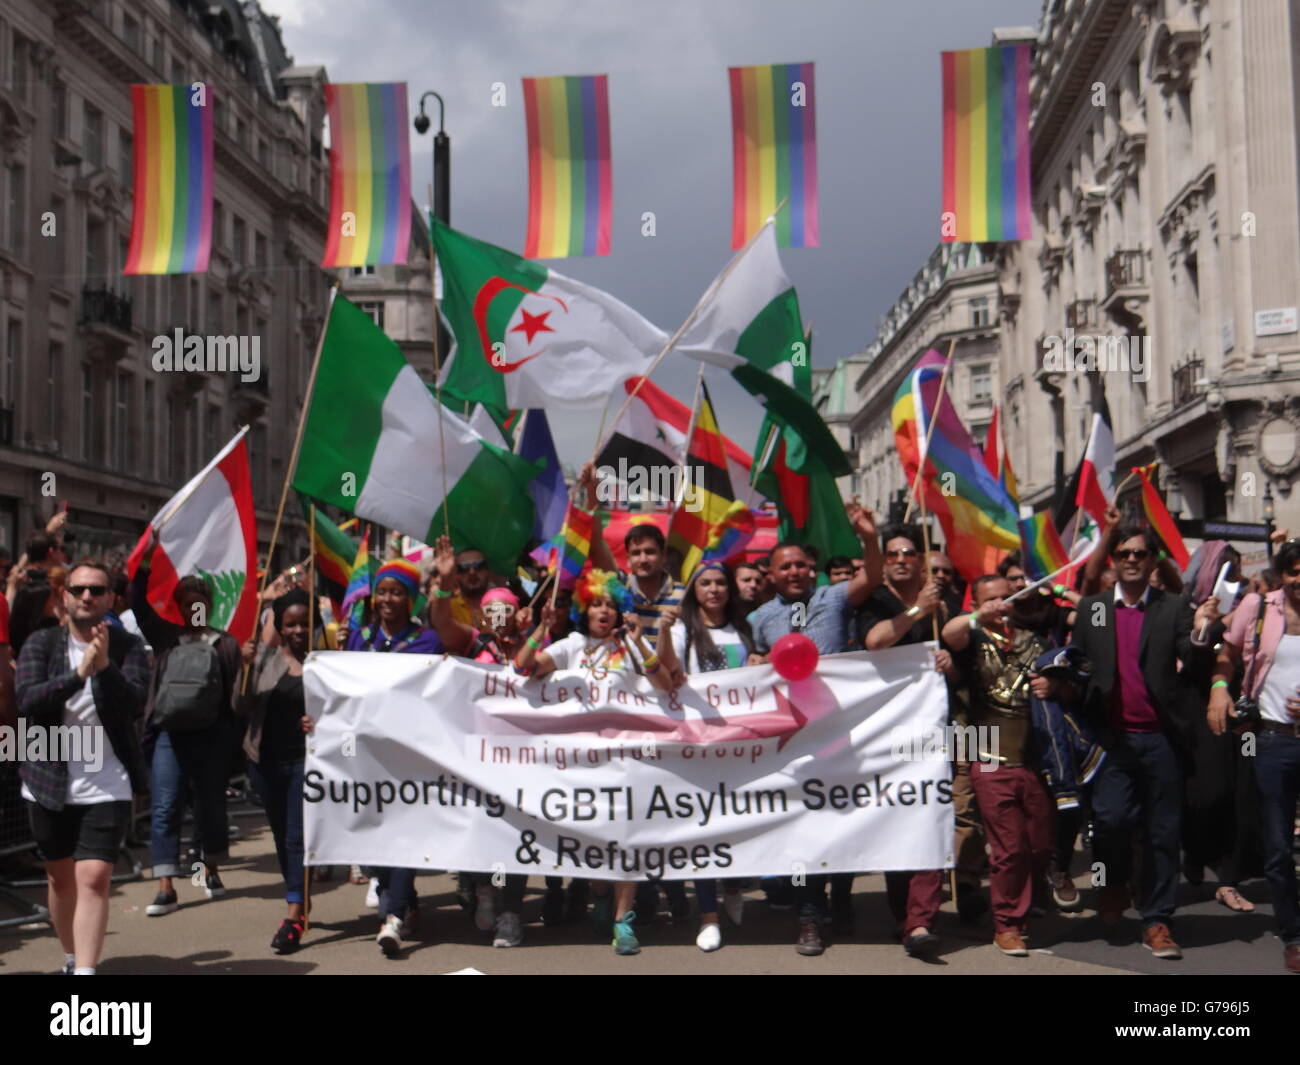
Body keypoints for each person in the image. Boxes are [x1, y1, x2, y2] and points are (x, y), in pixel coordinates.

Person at [1071, 525, 1217, 960]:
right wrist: (1060, 682)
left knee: (1162, 833)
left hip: (1161, 740)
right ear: (1113, 559)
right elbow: (1078, 663)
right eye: (1123, 553)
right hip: (1112, 740)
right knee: (1111, 820)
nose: (1131, 559)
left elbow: (1193, 660)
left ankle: (1157, 920)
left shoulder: (1173, 608)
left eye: (1140, 553)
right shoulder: (1094, 609)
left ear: (1153, 560)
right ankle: (1114, 883)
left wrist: (1200, 631)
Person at [745, 502, 883, 956]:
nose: (797, 572)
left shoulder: (834, 596)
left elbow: (873, 578)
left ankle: (839, 901)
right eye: (786, 566)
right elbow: (755, 670)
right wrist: (756, 664)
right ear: (771, 573)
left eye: (804, 564)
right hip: (792, 736)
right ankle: (809, 915)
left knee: (841, 820)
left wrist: (868, 538)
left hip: (840, 727)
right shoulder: (759, 619)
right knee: (805, 824)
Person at [515, 569, 676, 956]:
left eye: (610, 605)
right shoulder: (571, 645)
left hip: (623, 759)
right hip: (577, 762)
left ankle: (623, 921)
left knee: (627, 841)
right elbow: (524, 668)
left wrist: (640, 642)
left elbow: (666, 685)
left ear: (619, 611)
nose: (603, 611)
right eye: (596, 604)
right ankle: (598, 893)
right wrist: (540, 629)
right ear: (585, 610)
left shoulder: (631, 646)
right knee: (588, 838)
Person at [16, 560, 150, 974]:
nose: (87, 596)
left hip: (106, 779)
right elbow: (30, 701)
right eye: (78, 590)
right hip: (47, 778)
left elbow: (134, 704)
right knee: (60, 879)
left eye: (96, 590)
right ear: (65, 596)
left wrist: (105, 667)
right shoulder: (41, 644)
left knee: (93, 877)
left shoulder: (128, 647)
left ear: (111, 598)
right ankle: (72, 956)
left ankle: (86, 975)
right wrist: (78, 674)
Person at [942, 575, 1063, 956]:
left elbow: (1062, 678)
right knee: (1008, 848)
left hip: (1033, 758)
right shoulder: (972, 639)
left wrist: (1053, 687)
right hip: (989, 757)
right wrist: (977, 616)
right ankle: (1007, 924)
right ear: (976, 602)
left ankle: (1028, 902)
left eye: (1003, 597)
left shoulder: (1032, 641)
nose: (999, 604)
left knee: (1040, 845)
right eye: (989, 599)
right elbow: (950, 632)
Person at [856, 523, 958, 954]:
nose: (899, 560)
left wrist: (948, 657)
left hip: (930, 735)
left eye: (907, 554)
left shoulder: (941, 605)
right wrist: (916, 611)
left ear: (919, 559)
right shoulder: (874, 600)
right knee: (899, 824)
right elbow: (876, 641)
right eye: (892, 554)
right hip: (883, 735)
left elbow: (960, 644)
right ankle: (905, 913)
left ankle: (920, 922)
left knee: (930, 817)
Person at [427, 534, 533, 948]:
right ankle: (481, 887)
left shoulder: (529, 646)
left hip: (523, 759)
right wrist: (444, 582)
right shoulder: (474, 642)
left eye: (506, 607)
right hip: (477, 755)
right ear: (482, 617)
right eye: (491, 610)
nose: (499, 614)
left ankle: (510, 912)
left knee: (513, 835)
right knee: (479, 828)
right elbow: (440, 621)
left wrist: (534, 634)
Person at [343, 559, 444, 957]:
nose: (388, 599)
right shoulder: (356, 638)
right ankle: (401, 897)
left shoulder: (427, 641)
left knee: (403, 833)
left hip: (408, 752)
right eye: (382, 591)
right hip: (366, 754)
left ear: (410, 598)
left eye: (397, 592)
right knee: (374, 833)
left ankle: (395, 917)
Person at [1208, 539, 1300, 972]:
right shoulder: (1258, 607)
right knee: (1279, 847)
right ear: (1283, 574)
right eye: (1294, 570)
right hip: (1274, 741)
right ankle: (1293, 936)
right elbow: (1226, 655)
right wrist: (1218, 690)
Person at [130, 565, 243, 917]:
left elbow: (236, 700)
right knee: (165, 808)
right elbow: (138, 605)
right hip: (170, 737)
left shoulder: (225, 644)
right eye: (187, 605)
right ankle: (166, 886)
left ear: (209, 606)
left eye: (200, 604)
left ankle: (208, 870)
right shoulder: (167, 638)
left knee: (209, 809)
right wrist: (145, 564)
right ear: (179, 608)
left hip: (212, 738)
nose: (194, 611)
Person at [656, 561, 755, 951]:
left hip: (743, 743)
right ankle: (708, 916)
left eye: (720, 583)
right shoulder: (682, 629)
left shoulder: (743, 628)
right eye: (705, 584)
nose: (713, 589)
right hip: (700, 743)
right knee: (703, 830)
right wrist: (662, 630)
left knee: (737, 824)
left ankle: (732, 885)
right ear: (694, 591)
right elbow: (667, 666)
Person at [1179, 541, 1261, 911]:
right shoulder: (1185, 611)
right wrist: (1206, 626)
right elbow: (1188, 661)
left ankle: (1229, 879)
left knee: (1242, 796)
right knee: (1206, 793)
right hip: (1202, 716)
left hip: (1245, 720)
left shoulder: (1252, 607)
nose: (1234, 578)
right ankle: (1195, 850)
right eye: (1225, 569)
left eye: (1237, 569)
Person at [239, 589, 315, 953]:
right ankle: (298, 896)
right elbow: (240, 706)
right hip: (266, 763)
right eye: (291, 624)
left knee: (296, 839)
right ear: (280, 627)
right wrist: (244, 666)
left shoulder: (324, 663)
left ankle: (294, 913)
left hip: (305, 764)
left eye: (304, 622)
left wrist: (318, 722)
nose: (299, 629)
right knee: (281, 837)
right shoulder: (265, 661)